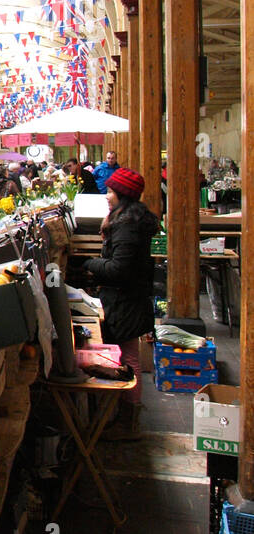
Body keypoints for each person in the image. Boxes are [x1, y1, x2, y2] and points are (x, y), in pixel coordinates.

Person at [83, 168, 160, 440]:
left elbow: (120, 269)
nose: (107, 196)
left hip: (126, 299)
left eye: (111, 191)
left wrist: (90, 264)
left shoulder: (127, 224)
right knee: (128, 354)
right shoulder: (130, 218)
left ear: (123, 195)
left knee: (128, 357)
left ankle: (128, 421)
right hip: (129, 297)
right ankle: (125, 413)